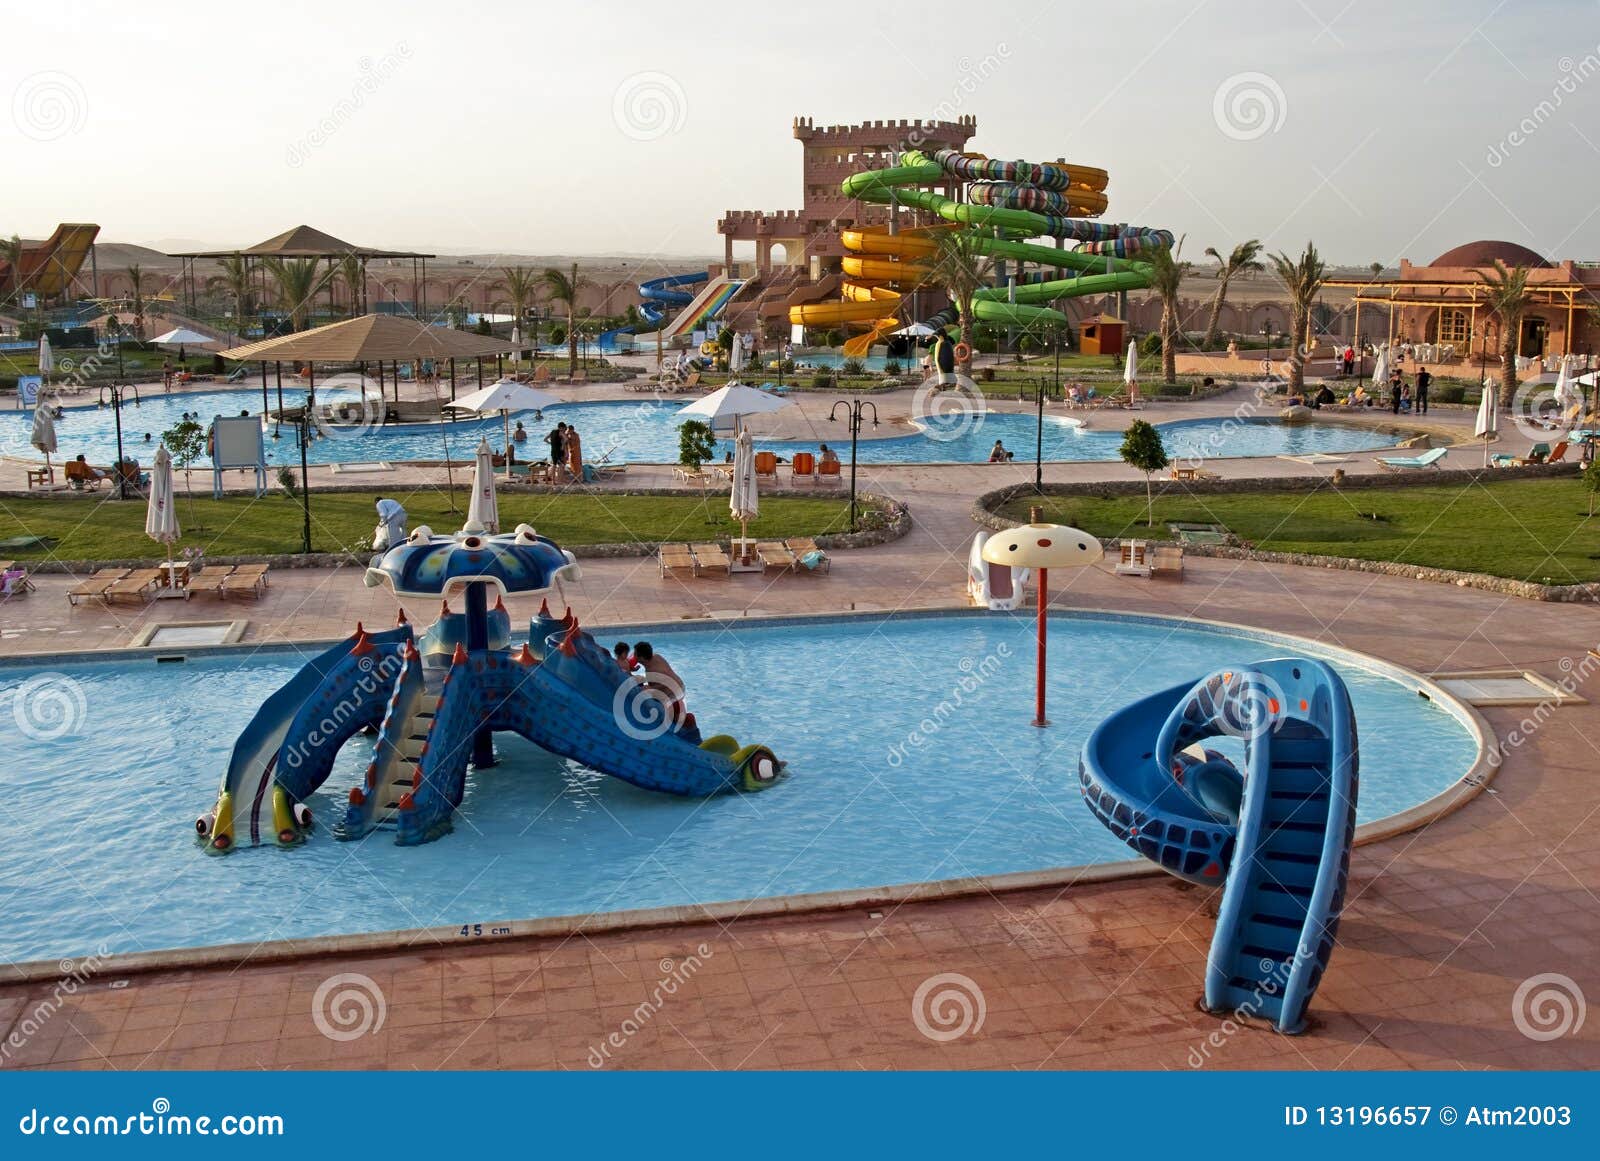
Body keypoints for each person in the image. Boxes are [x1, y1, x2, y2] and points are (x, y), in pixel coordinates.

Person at [631, 642, 684, 719]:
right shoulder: (656, 656)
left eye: (635, 654)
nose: (633, 655)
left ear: (641, 658)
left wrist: (650, 689)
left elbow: (666, 683)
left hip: (674, 695)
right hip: (680, 686)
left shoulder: (652, 671)